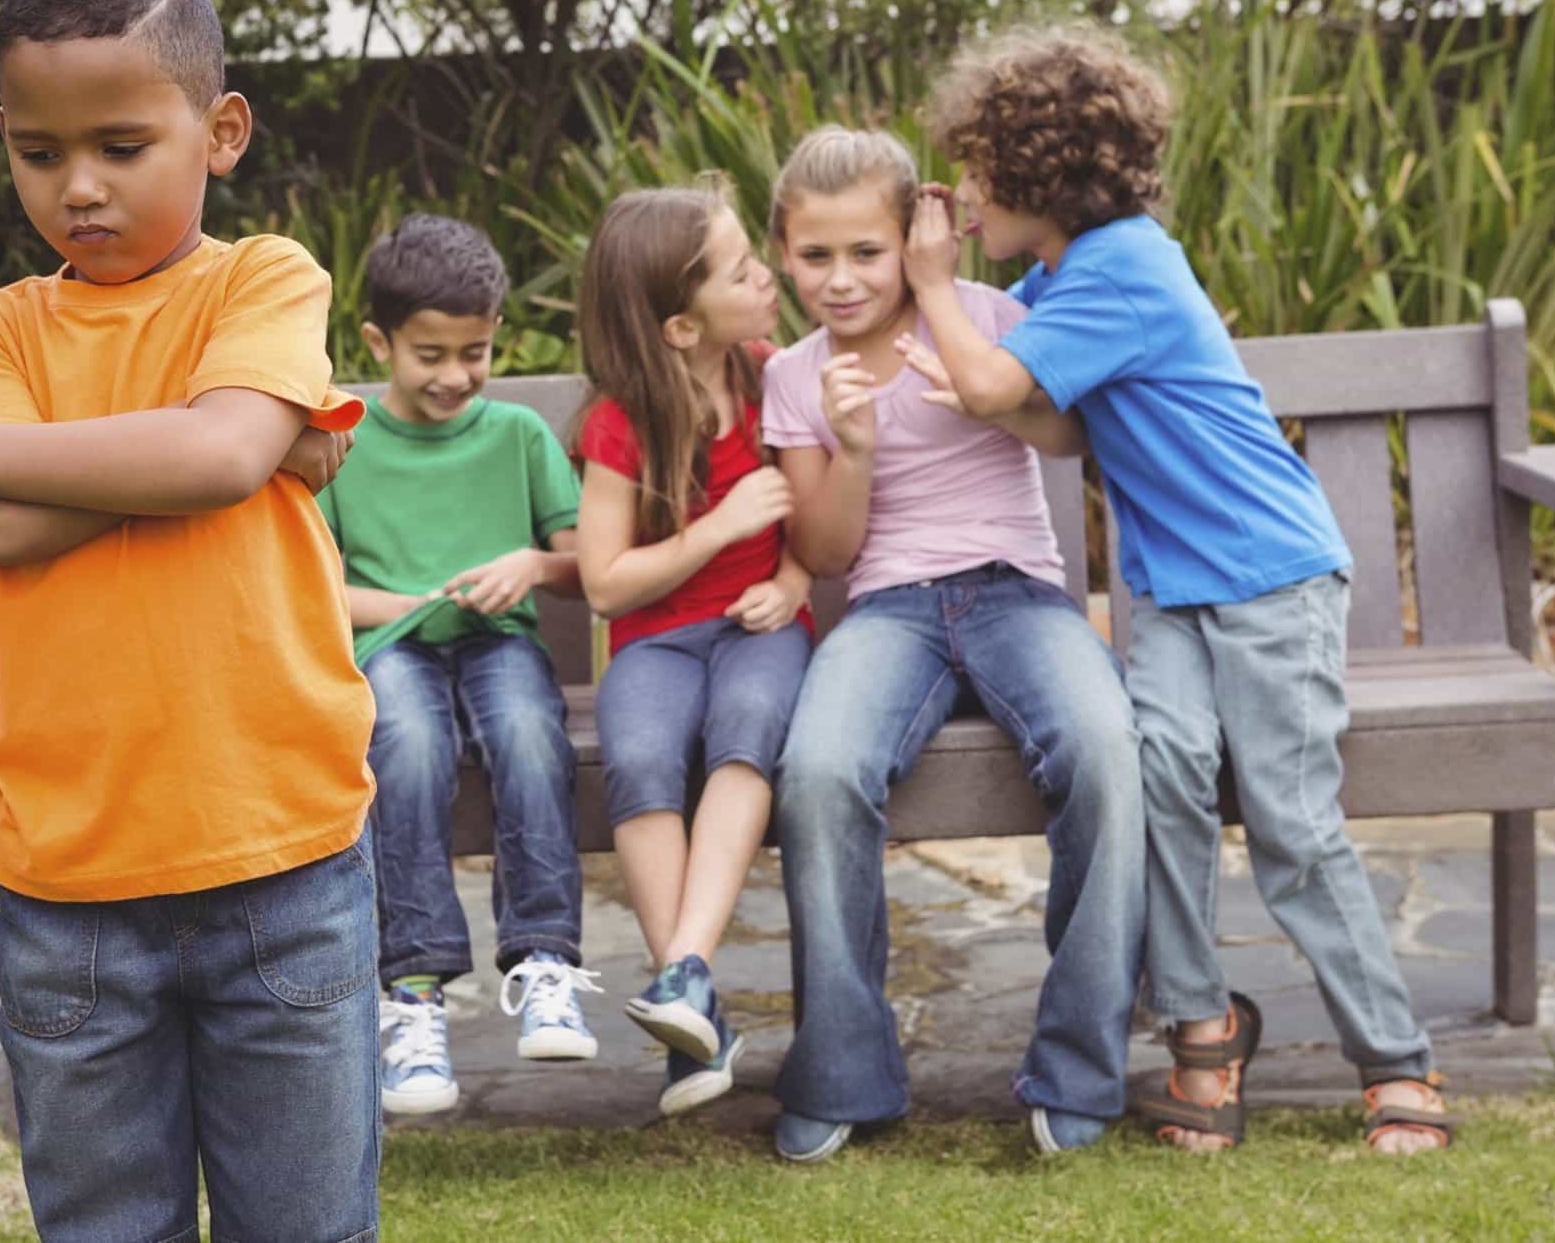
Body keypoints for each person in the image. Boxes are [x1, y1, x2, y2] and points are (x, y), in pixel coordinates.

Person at [0, 0, 383, 1241]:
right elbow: (2, 526)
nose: (79, 187)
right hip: (69, 888)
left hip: (282, 855)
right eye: (39, 152)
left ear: (221, 131)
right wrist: (220, 446)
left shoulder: (262, 279)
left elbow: (217, 458)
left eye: (119, 144)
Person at [915, 23, 1454, 1154]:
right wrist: (976, 380)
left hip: (1266, 573)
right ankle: (1202, 1032)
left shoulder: (1124, 267)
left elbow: (990, 385)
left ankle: (1393, 1060)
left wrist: (930, 294)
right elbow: (1060, 424)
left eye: (973, 169)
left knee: (1290, 822)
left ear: (1036, 175)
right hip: (1165, 585)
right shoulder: (1067, 272)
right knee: (1159, 784)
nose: (960, 196)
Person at [761, 125, 1146, 1164]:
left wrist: (949, 328)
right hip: (889, 609)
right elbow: (827, 553)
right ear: (783, 253)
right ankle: (843, 1071)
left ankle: (1075, 1067)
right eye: (813, 257)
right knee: (819, 771)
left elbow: (1069, 439)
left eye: (865, 254)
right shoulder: (795, 376)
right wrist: (855, 450)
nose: (839, 281)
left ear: (913, 241)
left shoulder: (987, 315)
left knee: (1108, 752)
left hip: (1015, 594)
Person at [317, 213, 600, 1117]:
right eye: (430, 353)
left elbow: (584, 559)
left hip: (499, 641)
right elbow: (311, 587)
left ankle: (547, 958)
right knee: (402, 742)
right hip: (391, 648)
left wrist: (531, 566)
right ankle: (415, 994)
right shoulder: (344, 446)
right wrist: (404, 605)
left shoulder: (517, 434)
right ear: (379, 341)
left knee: (527, 729)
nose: (454, 376)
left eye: (473, 352)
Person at [572, 182, 814, 1116]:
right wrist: (718, 531)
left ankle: (684, 978)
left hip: (760, 626)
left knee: (752, 723)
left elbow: (816, 518)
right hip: (656, 640)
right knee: (637, 754)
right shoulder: (621, 422)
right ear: (680, 326)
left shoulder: (772, 373)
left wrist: (792, 583)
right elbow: (603, 583)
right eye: (742, 268)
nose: (766, 276)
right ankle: (692, 999)